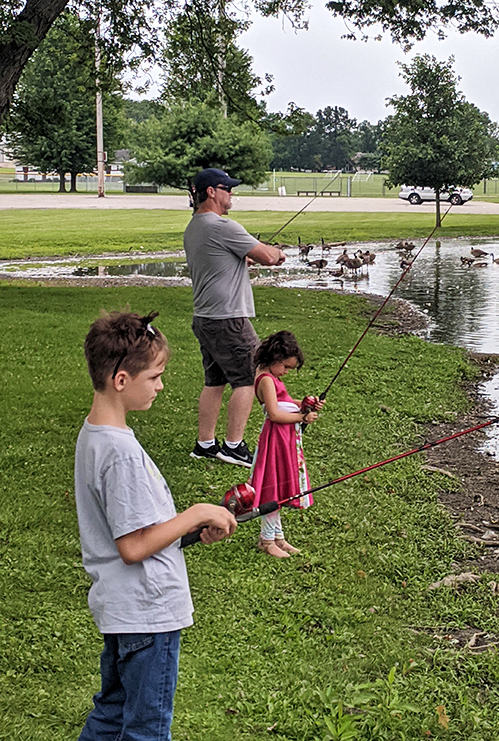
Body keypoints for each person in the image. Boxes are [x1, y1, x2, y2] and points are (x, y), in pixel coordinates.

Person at [75, 310, 237, 741]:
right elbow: (132, 546)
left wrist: (184, 532)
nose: (162, 386)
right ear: (122, 380)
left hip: (122, 610)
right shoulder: (121, 453)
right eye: (156, 376)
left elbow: (135, 530)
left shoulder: (94, 434)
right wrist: (196, 512)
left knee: (112, 713)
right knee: (146, 727)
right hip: (148, 615)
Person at [183, 168, 286, 466]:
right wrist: (276, 253)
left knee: (214, 381)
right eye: (226, 188)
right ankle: (233, 446)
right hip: (228, 317)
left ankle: (205, 444)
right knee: (248, 377)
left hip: (205, 316)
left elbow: (219, 258)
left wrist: (244, 257)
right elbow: (268, 256)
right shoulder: (222, 226)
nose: (231, 193)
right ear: (211, 192)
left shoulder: (194, 227)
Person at [250, 330, 323, 559]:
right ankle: (266, 540)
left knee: (279, 484)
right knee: (272, 485)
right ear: (274, 358)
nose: (287, 372)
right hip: (275, 439)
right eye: (286, 367)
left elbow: (285, 402)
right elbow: (274, 413)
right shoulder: (266, 380)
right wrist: (302, 418)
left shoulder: (272, 377)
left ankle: (278, 537)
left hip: (284, 438)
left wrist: (304, 404)